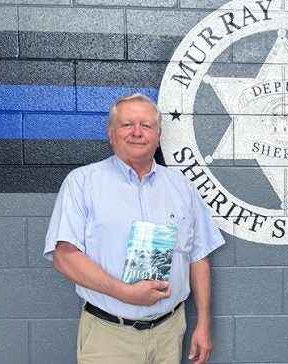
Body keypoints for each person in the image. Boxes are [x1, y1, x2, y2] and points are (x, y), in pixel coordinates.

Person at [43, 93, 225, 364]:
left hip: (169, 333)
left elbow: (198, 256)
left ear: (158, 133)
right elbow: (64, 256)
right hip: (109, 335)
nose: (137, 133)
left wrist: (203, 324)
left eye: (146, 126)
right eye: (127, 125)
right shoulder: (82, 183)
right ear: (110, 132)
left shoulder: (182, 188)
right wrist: (124, 292)